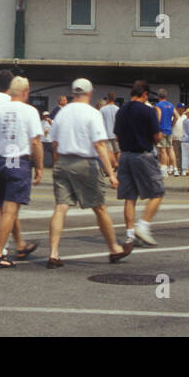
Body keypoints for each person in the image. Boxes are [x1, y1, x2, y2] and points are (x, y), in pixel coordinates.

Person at [45, 78, 132, 267]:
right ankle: (114, 249)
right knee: (99, 207)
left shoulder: (62, 112)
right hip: (85, 163)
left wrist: (58, 163)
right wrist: (111, 173)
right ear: (90, 93)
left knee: (61, 207)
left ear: (73, 93)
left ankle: (53, 253)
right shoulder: (93, 113)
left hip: (63, 161)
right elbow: (100, 145)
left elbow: (54, 143)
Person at [0, 75, 44, 266]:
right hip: (18, 160)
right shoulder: (30, 111)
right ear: (25, 92)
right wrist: (39, 166)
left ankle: (2, 245)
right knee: (10, 210)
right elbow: (36, 141)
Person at [114, 79, 163, 247]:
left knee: (130, 196)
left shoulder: (121, 111)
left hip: (125, 155)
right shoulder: (148, 111)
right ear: (145, 94)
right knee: (157, 192)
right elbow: (157, 137)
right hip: (142, 155)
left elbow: (117, 136)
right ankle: (143, 225)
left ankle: (130, 235)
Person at [154, 89, 177, 176]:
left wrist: (156, 127)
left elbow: (158, 117)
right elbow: (176, 116)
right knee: (170, 149)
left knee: (162, 150)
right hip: (169, 130)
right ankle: (175, 169)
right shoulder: (171, 105)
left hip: (161, 130)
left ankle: (164, 169)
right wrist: (172, 125)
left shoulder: (158, 105)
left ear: (158, 97)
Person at [100, 93, 120, 159]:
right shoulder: (118, 109)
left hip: (106, 134)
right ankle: (118, 166)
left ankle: (113, 167)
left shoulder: (102, 109)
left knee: (110, 152)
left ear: (107, 99)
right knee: (118, 151)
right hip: (116, 134)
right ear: (114, 99)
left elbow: (100, 122)